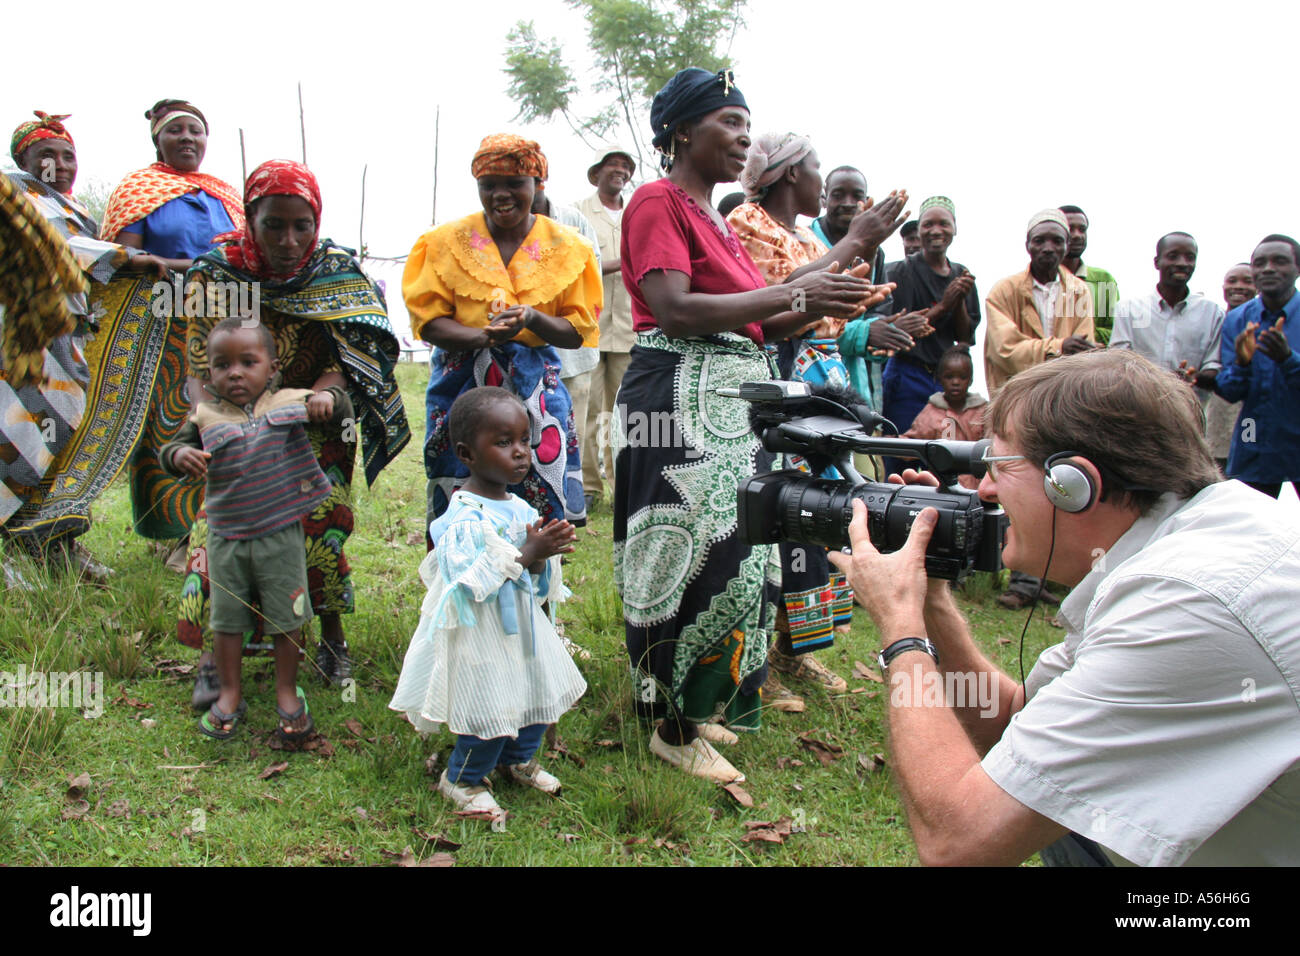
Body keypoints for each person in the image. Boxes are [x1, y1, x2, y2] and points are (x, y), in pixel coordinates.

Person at [829, 349, 1300, 866]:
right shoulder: (1194, 534)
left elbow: (957, 842)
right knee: (1044, 792)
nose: (983, 488)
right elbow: (1013, 720)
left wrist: (901, 630)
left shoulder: (1186, 604)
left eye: (998, 465)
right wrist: (933, 603)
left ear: (1073, 485)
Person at [615, 67, 885, 784]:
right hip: (676, 397)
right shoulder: (656, 202)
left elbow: (764, 316)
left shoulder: (711, 220)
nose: (743, 138)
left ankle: (697, 702)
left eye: (746, 124)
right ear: (682, 131)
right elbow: (673, 307)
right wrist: (817, 273)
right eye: (728, 122)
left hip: (733, 402)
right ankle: (667, 726)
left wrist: (841, 282)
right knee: (682, 556)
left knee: (734, 555)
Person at [178, 160, 410, 708]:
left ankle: (330, 638)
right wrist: (217, 423)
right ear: (248, 218)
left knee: (320, 526)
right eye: (273, 225)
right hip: (233, 420)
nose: (288, 240)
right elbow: (195, 359)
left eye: (301, 225)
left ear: (316, 221)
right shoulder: (215, 273)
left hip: (313, 419)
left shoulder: (334, 270)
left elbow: (348, 354)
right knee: (220, 532)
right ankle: (214, 655)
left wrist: (321, 396)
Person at [726, 133, 907, 708]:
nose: (820, 179)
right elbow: (776, 301)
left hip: (821, 378)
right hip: (781, 378)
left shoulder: (802, 234)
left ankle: (793, 649)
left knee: (818, 508)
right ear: (783, 174)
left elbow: (821, 297)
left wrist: (857, 294)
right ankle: (760, 658)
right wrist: (854, 242)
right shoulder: (748, 223)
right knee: (782, 507)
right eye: (814, 168)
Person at [389, 387, 586, 817]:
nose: (520, 453)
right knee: (490, 703)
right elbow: (471, 581)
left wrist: (544, 557)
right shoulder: (462, 516)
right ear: (466, 453)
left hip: (522, 627)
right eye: (503, 443)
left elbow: (529, 579)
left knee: (537, 694)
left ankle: (517, 759)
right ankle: (463, 777)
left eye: (523, 441)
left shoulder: (518, 506)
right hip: (482, 633)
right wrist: (530, 552)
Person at [3, 112, 177, 582]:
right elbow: (54, 249)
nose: (59, 166)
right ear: (23, 159)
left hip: (68, 344)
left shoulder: (71, 208)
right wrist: (126, 256)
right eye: (46, 156)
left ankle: (53, 541)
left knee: (60, 439)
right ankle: (16, 552)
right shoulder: (15, 194)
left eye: (68, 157)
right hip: (24, 345)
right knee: (20, 438)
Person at [161, 317, 352, 742]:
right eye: (222, 364)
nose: (235, 372)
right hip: (226, 538)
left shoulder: (287, 401)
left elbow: (336, 402)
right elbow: (172, 447)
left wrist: (325, 400)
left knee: (288, 614)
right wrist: (178, 458)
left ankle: (287, 691)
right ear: (209, 373)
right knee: (227, 620)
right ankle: (230, 693)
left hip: (282, 536)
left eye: (248, 362)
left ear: (272, 366)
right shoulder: (205, 416)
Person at [403, 134, 600, 535]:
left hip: (535, 388)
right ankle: (464, 580)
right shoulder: (444, 243)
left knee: (539, 483)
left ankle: (537, 592)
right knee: (460, 475)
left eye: (515, 183)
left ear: (538, 184)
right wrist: (479, 338)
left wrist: (532, 319)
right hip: (462, 385)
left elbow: (577, 332)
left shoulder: (568, 247)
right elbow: (429, 321)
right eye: (489, 185)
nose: (501, 195)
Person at [100, 99, 245, 550]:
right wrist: (199, 265)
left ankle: (219, 526)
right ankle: (172, 536)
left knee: (223, 414)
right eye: (176, 130)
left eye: (196, 131)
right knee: (169, 421)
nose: (187, 138)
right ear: (157, 140)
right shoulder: (139, 190)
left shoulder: (224, 193)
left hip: (225, 317)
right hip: (164, 321)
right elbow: (128, 259)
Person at [984, 208, 1094, 609]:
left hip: (1061, 405)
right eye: (1040, 240)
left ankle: (1042, 577)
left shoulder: (1079, 292)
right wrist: (1055, 348)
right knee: (1020, 484)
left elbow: (1084, 348)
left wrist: (1068, 355)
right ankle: (1021, 581)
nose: (1048, 248)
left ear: (1068, 246)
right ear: (1027, 244)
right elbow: (1004, 348)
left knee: (1057, 483)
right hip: (1017, 403)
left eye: (1057, 241)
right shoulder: (1004, 290)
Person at [881, 196, 979, 473]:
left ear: (955, 228)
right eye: (929, 224)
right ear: (920, 230)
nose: (936, 230)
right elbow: (898, 331)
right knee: (903, 452)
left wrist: (958, 299)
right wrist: (944, 305)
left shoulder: (963, 275)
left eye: (943, 224)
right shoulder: (900, 272)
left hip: (948, 385)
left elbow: (966, 338)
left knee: (945, 452)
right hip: (907, 378)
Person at [530, 153, 604, 514]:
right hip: (526, 354)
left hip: (573, 352)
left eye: (520, 181)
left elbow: (592, 276)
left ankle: (571, 504)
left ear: (540, 182)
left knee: (573, 427)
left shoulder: (573, 223)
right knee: (532, 432)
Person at [808, 165, 912, 413]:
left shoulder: (877, 250)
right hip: (809, 381)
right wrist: (863, 334)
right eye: (838, 194)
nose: (848, 203)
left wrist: (885, 335)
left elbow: (877, 311)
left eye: (857, 196)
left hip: (857, 387)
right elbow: (801, 316)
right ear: (824, 198)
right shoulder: (805, 241)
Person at [1215, 234, 1300, 499]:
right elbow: (1229, 391)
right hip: (1254, 438)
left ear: (1298, 267)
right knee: (1248, 528)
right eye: (1260, 262)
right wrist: (1241, 363)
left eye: (1280, 261)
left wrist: (1287, 359)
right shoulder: (1238, 319)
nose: (1268, 268)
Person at [576, 147, 637, 509]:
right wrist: (619, 263)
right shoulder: (579, 214)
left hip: (629, 330)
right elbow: (575, 267)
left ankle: (621, 489)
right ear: (595, 173)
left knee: (623, 415)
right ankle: (589, 488)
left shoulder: (637, 214)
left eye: (626, 167)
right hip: (588, 329)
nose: (620, 171)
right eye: (613, 165)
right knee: (586, 410)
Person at [1110, 232, 1224, 405]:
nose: (1182, 263)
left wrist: (1195, 378)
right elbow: (1118, 361)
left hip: (1189, 412)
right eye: (1173, 256)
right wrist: (1158, 381)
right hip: (1140, 408)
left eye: (1190, 257)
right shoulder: (1128, 309)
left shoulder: (1213, 313)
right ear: (1157, 262)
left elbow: (1214, 366)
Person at [901, 346, 985, 488]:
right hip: (942, 486)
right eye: (949, 377)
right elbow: (914, 442)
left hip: (979, 488)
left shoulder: (983, 411)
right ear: (940, 379)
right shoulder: (932, 412)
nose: (956, 382)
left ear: (971, 380)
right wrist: (891, 441)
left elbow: (994, 445)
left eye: (962, 377)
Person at [1205, 264, 1254, 471]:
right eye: (1232, 281)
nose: (1238, 286)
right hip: (1215, 407)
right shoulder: (1214, 321)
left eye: (1247, 281)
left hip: (1247, 410)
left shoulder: (1263, 323)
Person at [1059, 204, 1120, 345]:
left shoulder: (1103, 280)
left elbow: (1117, 331)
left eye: (1082, 229)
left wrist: (1082, 336)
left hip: (1090, 364)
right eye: (1070, 229)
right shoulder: (1036, 281)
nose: (1077, 235)